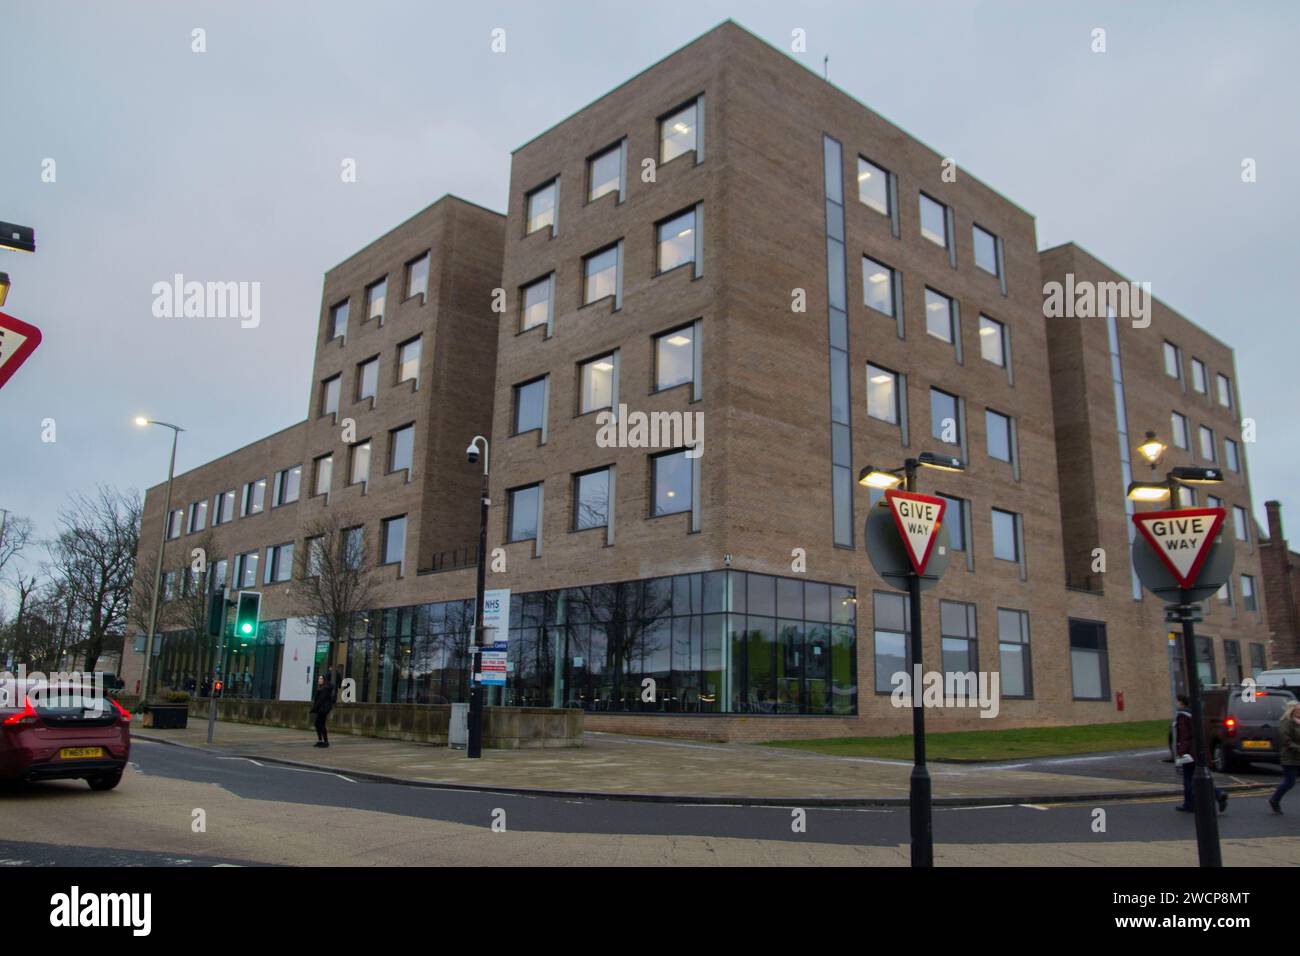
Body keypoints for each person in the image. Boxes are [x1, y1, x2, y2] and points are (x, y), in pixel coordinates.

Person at [1173, 694, 1228, 814]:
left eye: (1177, 701)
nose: (1175, 704)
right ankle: (1218, 794)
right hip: (1200, 751)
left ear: (1182, 703)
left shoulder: (1182, 716)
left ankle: (1189, 804)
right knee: (1200, 777)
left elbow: (1184, 736)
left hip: (1189, 753)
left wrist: (1181, 752)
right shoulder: (1195, 714)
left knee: (1188, 778)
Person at [1269, 698, 1300, 813]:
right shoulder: (1287, 722)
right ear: (1292, 711)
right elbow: (1286, 740)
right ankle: (1274, 800)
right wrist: (1297, 748)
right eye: (1298, 709)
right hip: (1290, 758)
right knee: (1289, 782)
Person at [310, 673, 334, 748]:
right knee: (318, 724)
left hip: (323, 709)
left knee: (320, 724)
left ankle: (325, 741)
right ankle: (320, 740)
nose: (319, 680)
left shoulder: (325, 688)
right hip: (322, 709)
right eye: (319, 679)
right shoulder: (322, 688)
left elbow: (321, 700)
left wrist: (314, 709)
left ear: (324, 680)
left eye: (321, 679)